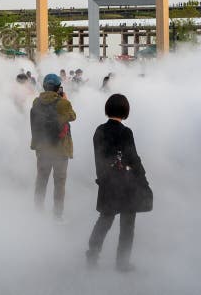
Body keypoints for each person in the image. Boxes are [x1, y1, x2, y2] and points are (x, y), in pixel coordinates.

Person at [86, 94, 151, 273]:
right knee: (127, 224)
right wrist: (143, 179)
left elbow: (98, 158)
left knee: (105, 219)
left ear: (107, 109)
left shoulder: (99, 130)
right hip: (127, 184)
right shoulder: (125, 132)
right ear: (125, 110)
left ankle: (92, 254)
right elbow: (133, 158)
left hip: (107, 182)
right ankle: (122, 263)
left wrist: (102, 178)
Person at [30, 73, 77, 221]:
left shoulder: (36, 102)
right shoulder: (63, 103)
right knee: (59, 183)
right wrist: (65, 99)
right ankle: (57, 215)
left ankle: (38, 210)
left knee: (41, 180)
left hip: (43, 148)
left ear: (44, 86)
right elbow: (73, 116)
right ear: (58, 87)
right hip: (60, 149)